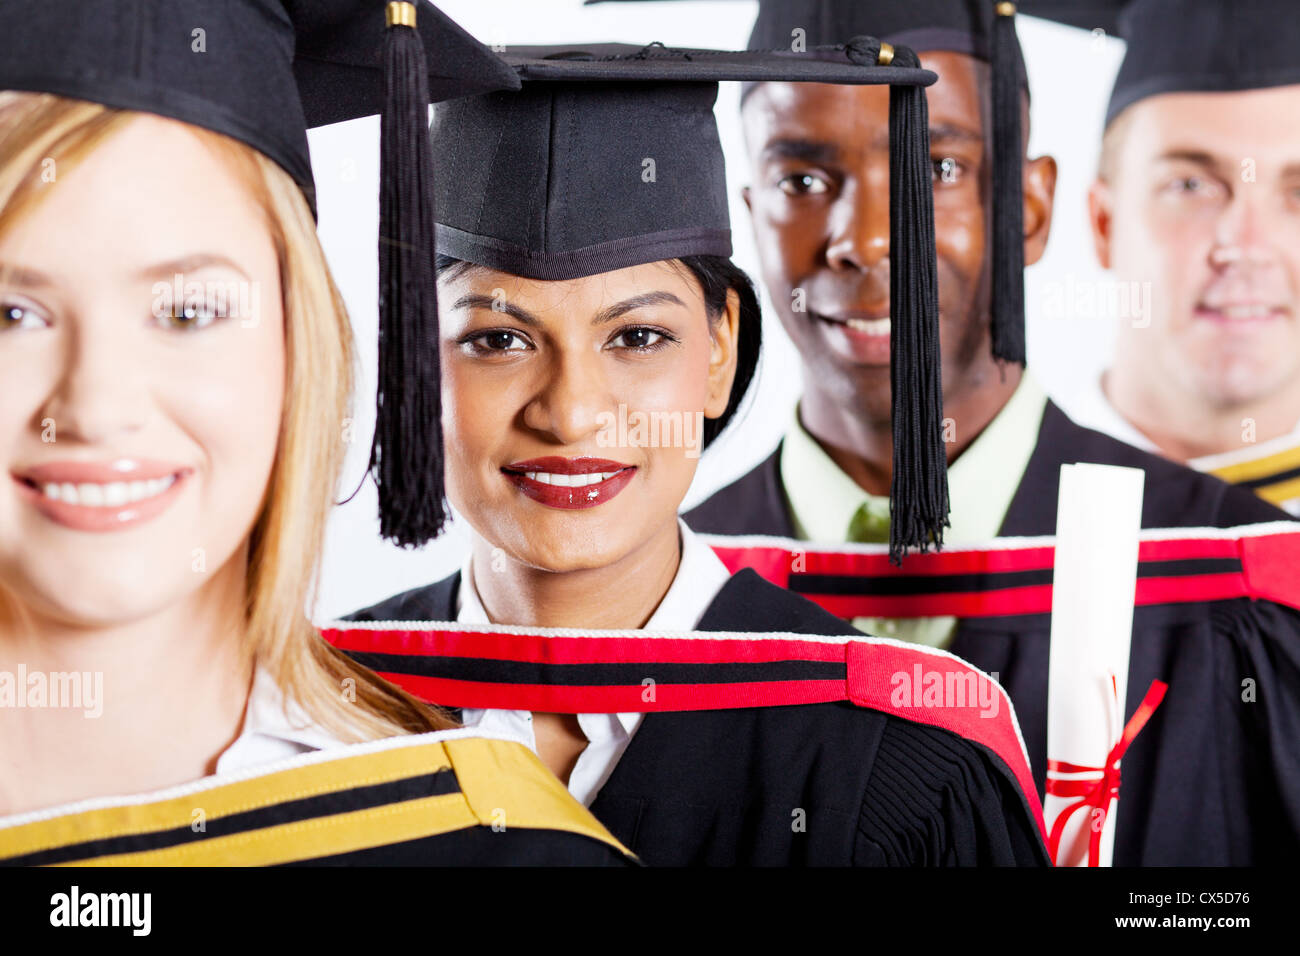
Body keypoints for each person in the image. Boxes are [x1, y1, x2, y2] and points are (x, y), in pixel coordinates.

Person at [346, 40, 1050, 866]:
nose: (571, 414)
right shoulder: (309, 716)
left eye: (639, 336)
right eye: (497, 339)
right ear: (415, 360)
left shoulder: (893, 763)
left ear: (718, 354)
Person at [0, 0, 630, 866]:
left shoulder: (485, 845)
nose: (98, 404)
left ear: (302, 349)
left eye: (190, 310)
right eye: (13, 312)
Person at [681, 0, 1300, 864]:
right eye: (803, 180)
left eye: (935, 167)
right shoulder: (667, 595)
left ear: (1032, 206)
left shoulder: (1240, 588)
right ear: (749, 212)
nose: (863, 239)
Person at [1058, 0, 1300, 516]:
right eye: (1190, 185)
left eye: (1298, 192)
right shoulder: (973, 519)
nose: (1246, 246)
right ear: (1104, 225)